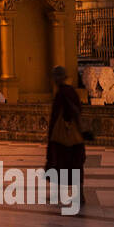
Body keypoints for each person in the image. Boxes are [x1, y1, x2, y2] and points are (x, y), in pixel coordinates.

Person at [46, 65, 87, 212]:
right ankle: (79, 194)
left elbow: (62, 114)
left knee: (63, 164)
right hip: (75, 136)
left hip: (64, 136)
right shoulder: (70, 92)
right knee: (74, 166)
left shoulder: (62, 93)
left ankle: (66, 194)